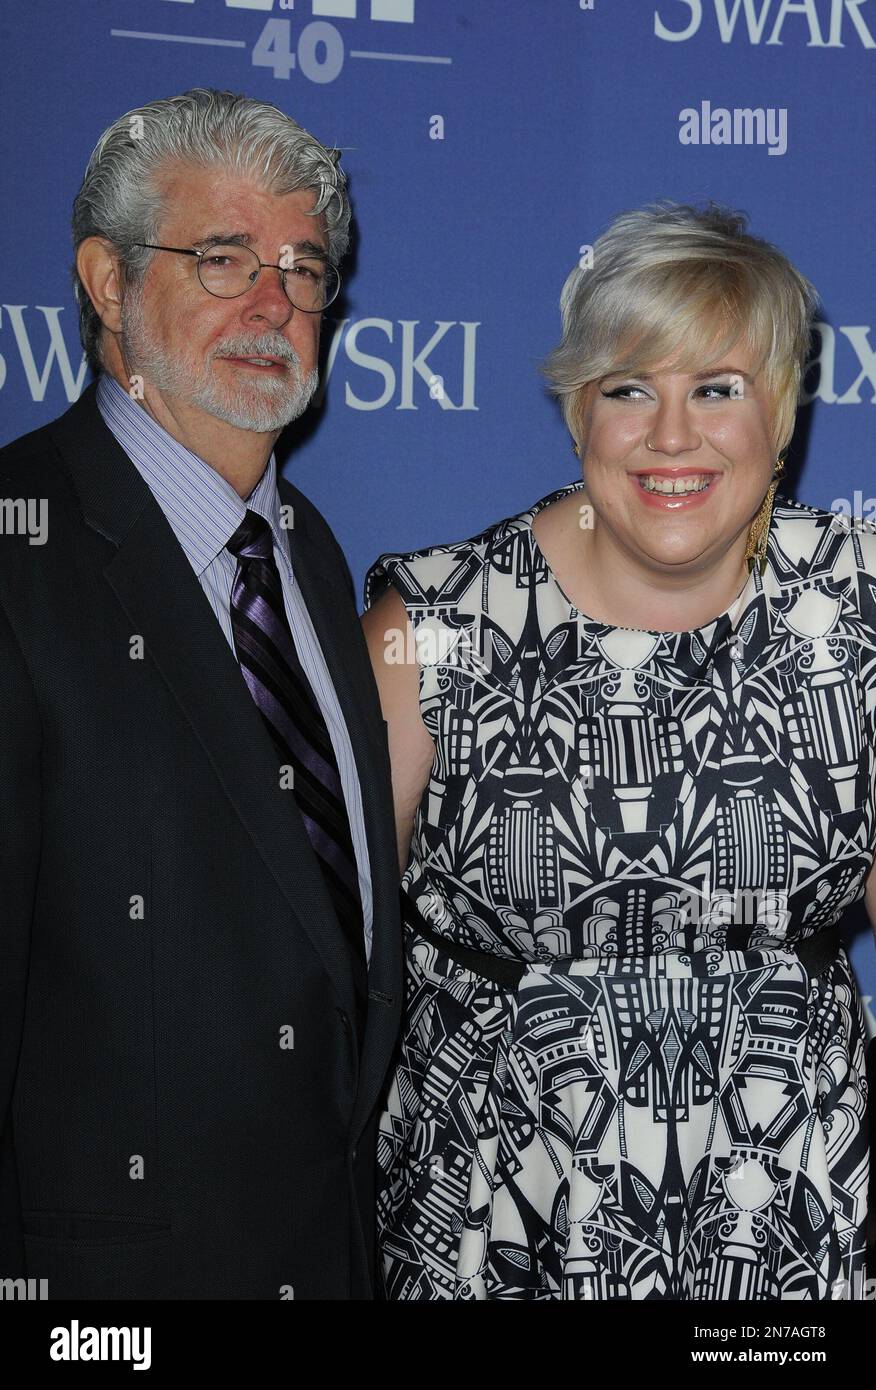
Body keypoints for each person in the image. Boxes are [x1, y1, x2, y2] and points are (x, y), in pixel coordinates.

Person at [361, 201, 875, 1300]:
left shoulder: (857, 602)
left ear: (782, 411)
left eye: (718, 389)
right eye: (628, 388)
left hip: (795, 1223)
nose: (672, 435)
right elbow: (305, 973)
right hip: (502, 1216)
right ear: (577, 412)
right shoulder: (436, 621)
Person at [0, 88, 401, 1300]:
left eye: (302, 267)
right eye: (222, 257)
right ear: (109, 285)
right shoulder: (17, 551)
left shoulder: (313, 557)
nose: (273, 300)